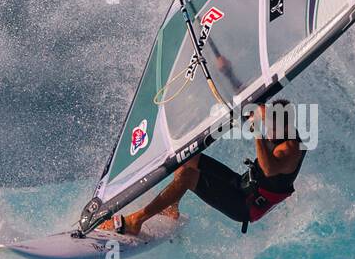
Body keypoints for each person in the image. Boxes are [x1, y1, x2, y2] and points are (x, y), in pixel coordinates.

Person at [101, 100, 305, 237]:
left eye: (271, 126)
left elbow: (268, 170)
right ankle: (171, 209)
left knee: (189, 176)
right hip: (243, 185)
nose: (268, 130)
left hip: (245, 205)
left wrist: (258, 131)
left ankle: (135, 221)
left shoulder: (289, 148)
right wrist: (225, 70)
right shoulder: (277, 130)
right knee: (188, 157)